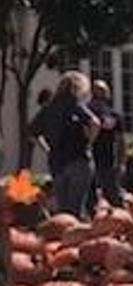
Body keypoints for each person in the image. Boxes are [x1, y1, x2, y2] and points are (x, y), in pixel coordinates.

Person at [33, 72, 99, 217]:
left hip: (57, 164)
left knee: (63, 211)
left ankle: (64, 235)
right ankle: (76, 236)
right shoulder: (73, 103)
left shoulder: (48, 107)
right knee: (76, 210)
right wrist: (89, 142)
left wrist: (46, 148)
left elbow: (32, 132)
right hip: (78, 159)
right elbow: (95, 122)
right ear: (77, 87)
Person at [89, 79, 126, 207]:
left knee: (91, 198)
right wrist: (121, 163)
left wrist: (121, 162)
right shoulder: (113, 115)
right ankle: (122, 221)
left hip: (89, 159)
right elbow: (121, 141)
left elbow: (121, 141)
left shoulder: (83, 112)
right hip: (105, 160)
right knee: (113, 196)